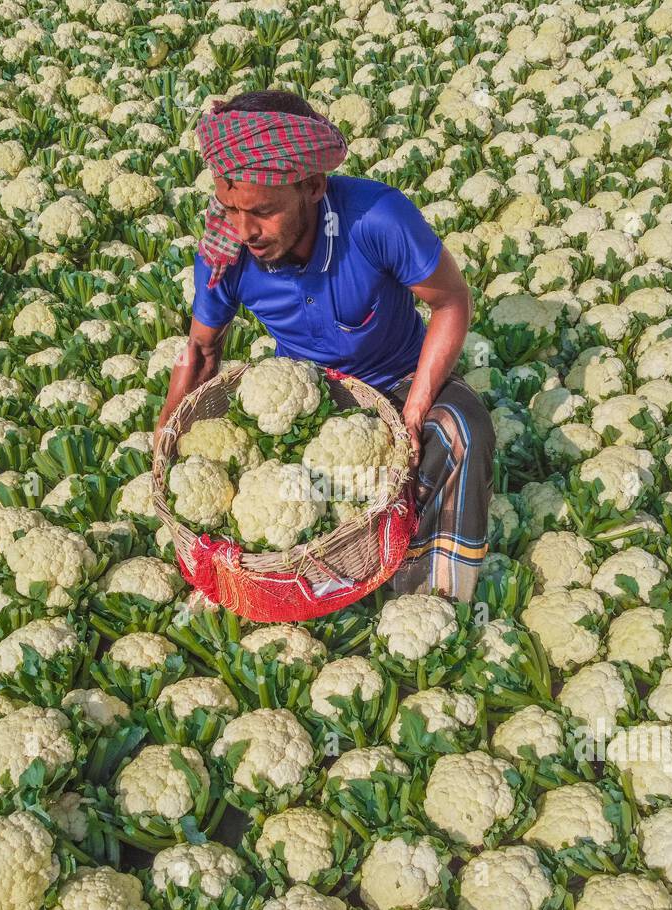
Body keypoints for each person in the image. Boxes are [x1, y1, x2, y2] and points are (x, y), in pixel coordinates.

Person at [155, 90, 494, 602]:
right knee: (258, 492)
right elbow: (199, 351)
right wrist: (165, 433)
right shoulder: (225, 248)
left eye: (262, 211)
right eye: (230, 208)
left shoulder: (377, 218)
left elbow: (451, 302)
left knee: (461, 430)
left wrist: (417, 408)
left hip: (398, 379)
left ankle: (431, 592)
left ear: (312, 186)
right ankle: (317, 579)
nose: (245, 230)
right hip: (308, 401)